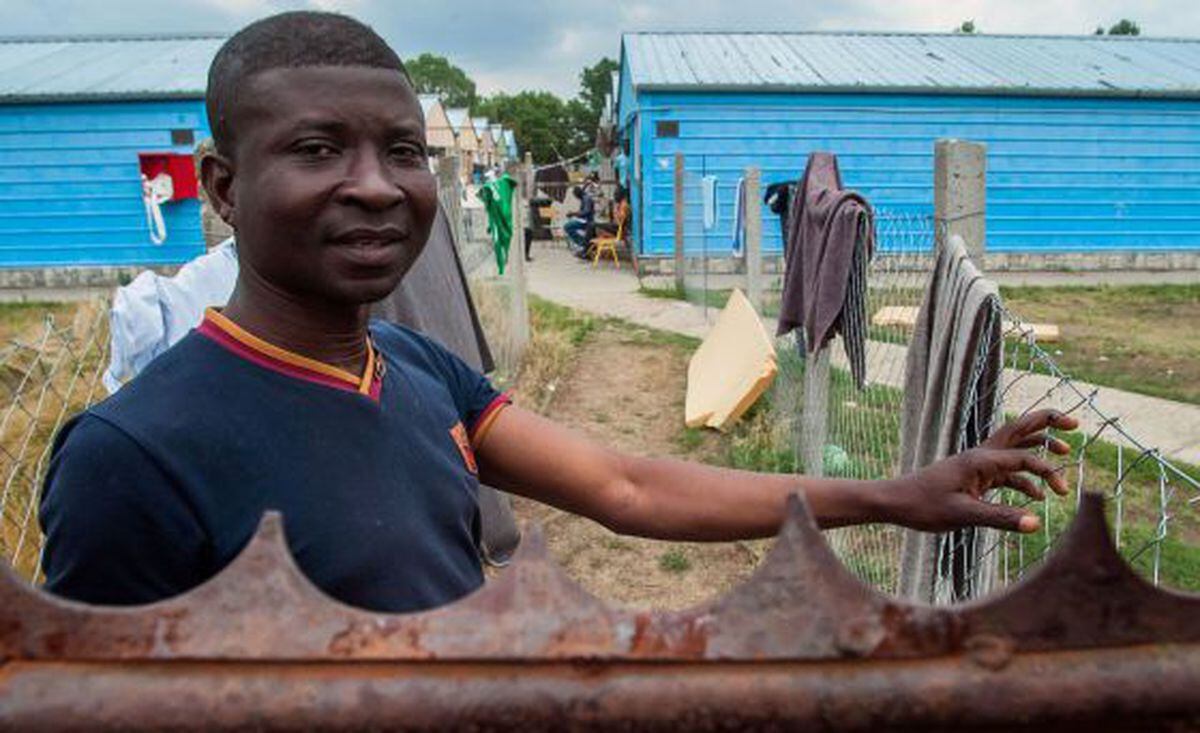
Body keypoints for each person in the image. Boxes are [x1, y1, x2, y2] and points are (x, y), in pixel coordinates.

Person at [39, 11, 1076, 613]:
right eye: (317, 151)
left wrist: (900, 495)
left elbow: (629, 487)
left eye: (404, 151)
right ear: (220, 186)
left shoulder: (411, 365)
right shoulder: (134, 455)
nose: (377, 185)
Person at [562, 184, 595, 258]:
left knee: (567, 227)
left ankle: (583, 243)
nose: (576, 198)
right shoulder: (584, 198)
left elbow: (586, 212)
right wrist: (574, 213)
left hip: (587, 221)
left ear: (577, 194)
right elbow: (582, 211)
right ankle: (584, 243)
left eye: (575, 196)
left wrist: (574, 213)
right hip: (584, 220)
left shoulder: (586, 199)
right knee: (568, 226)